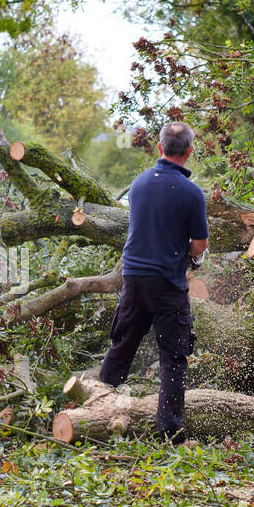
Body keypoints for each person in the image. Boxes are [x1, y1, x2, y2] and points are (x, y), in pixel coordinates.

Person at [98, 122, 209, 443]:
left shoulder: (139, 184)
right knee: (173, 357)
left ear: (159, 149)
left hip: (132, 278)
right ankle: (171, 435)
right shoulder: (191, 192)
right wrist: (190, 256)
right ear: (189, 152)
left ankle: (95, 404)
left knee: (122, 345)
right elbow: (199, 245)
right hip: (166, 284)